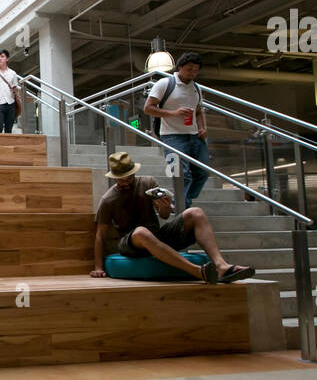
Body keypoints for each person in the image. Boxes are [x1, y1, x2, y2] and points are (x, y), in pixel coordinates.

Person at [90, 151, 254, 283]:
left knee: (195, 212)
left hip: (156, 236)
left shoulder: (148, 183)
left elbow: (165, 215)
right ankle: (198, 272)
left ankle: (221, 265)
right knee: (141, 231)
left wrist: (165, 206)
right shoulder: (108, 199)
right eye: (121, 179)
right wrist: (98, 267)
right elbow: (100, 235)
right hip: (131, 243)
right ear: (115, 177)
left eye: (129, 177)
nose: (126, 182)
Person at [144, 51, 208, 209]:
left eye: (195, 70)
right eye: (189, 69)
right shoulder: (165, 83)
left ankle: (182, 201)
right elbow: (148, 108)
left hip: (194, 136)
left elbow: (198, 111)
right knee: (182, 174)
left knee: (202, 173)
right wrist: (173, 113)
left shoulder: (196, 88)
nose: (192, 73)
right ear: (180, 67)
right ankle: (181, 205)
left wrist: (202, 127)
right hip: (172, 137)